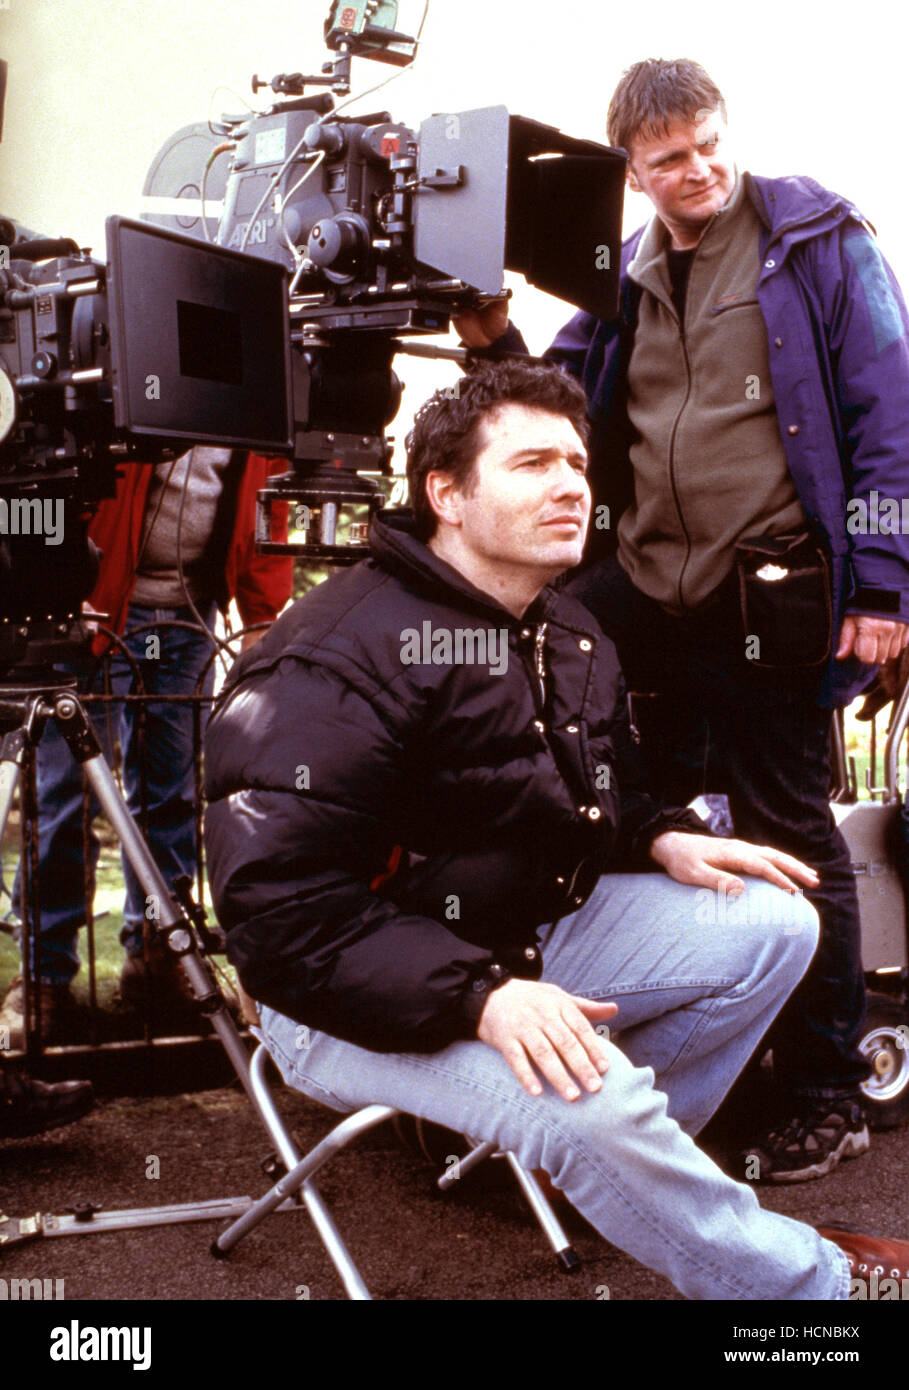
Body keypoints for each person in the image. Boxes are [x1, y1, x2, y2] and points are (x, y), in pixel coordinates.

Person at [203, 360, 909, 1299]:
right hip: (334, 999)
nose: (572, 484)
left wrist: (657, 835)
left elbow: (592, 791)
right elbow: (281, 922)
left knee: (775, 922)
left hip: (505, 944)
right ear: (445, 494)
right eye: (532, 462)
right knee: (587, 1096)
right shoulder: (333, 656)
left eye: (576, 462)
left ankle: (595, 1168)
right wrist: (480, 999)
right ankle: (811, 1294)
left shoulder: (563, 627)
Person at [456, 58, 909, 1182]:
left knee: (793, 837)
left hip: (773, 594)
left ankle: (825, 1095)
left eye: (707, 143)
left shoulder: (816, 241)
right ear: (635, 171)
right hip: (654, 589)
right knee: (646, 821)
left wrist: (888, 588)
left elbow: (891, 412)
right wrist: (491, 334)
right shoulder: (625, 272)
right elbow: (553, 408)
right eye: (668, 158)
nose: (696, 168)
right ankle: (675, 1075)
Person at [0, 446, 293, 1047]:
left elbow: (271, 508)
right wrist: (58, 581)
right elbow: (52, 487)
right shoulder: (137, 373)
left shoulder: (244, 396)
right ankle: (45, 976)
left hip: (187, 618)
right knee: (65, 797)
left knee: (173, 792)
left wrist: (263, 613)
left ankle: (159, 956)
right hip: (98, 611)